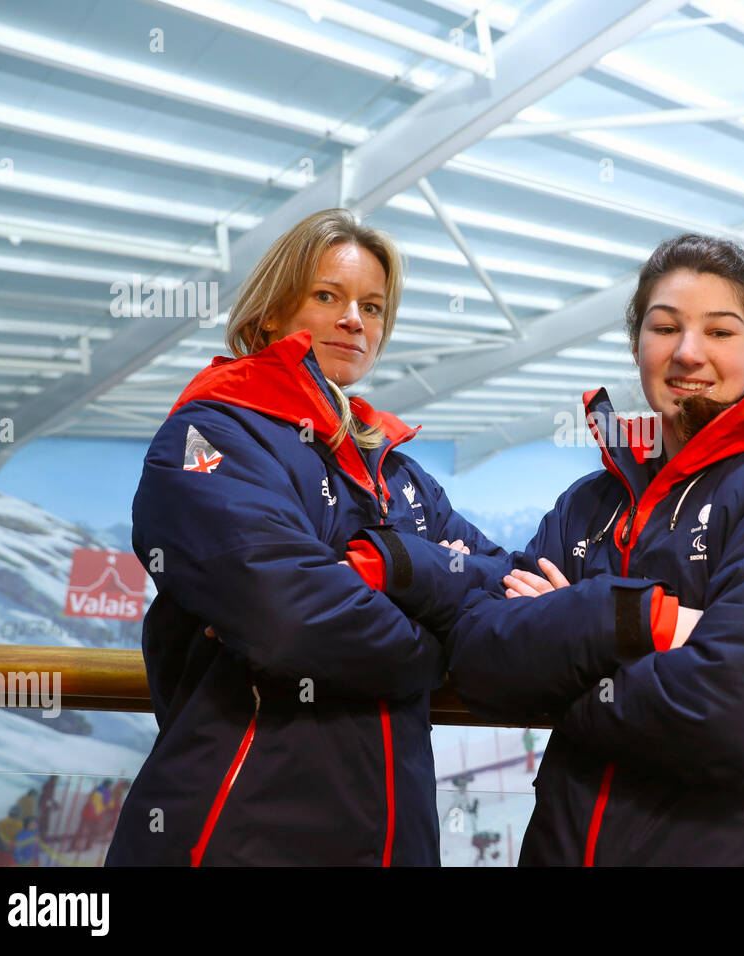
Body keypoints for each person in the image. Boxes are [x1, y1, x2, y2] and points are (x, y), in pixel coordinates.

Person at [426, 234, 744, 865]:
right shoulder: (592, 501)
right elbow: (479, 652)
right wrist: (635, 620)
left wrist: (570, 682)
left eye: (720, 332)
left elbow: (743, 709)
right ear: (638, 344)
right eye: (665, 328)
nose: (689, 353)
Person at [106, 209, 507, 867]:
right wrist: (435, 648)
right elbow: (291, 618)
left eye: (373, 307)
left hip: (389, 834)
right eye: (329, 296)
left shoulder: (393, 469)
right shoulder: (210, 437)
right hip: (239, 830)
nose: (357, 319)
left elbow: (500, 575)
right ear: (271, 313)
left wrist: (396, 567)